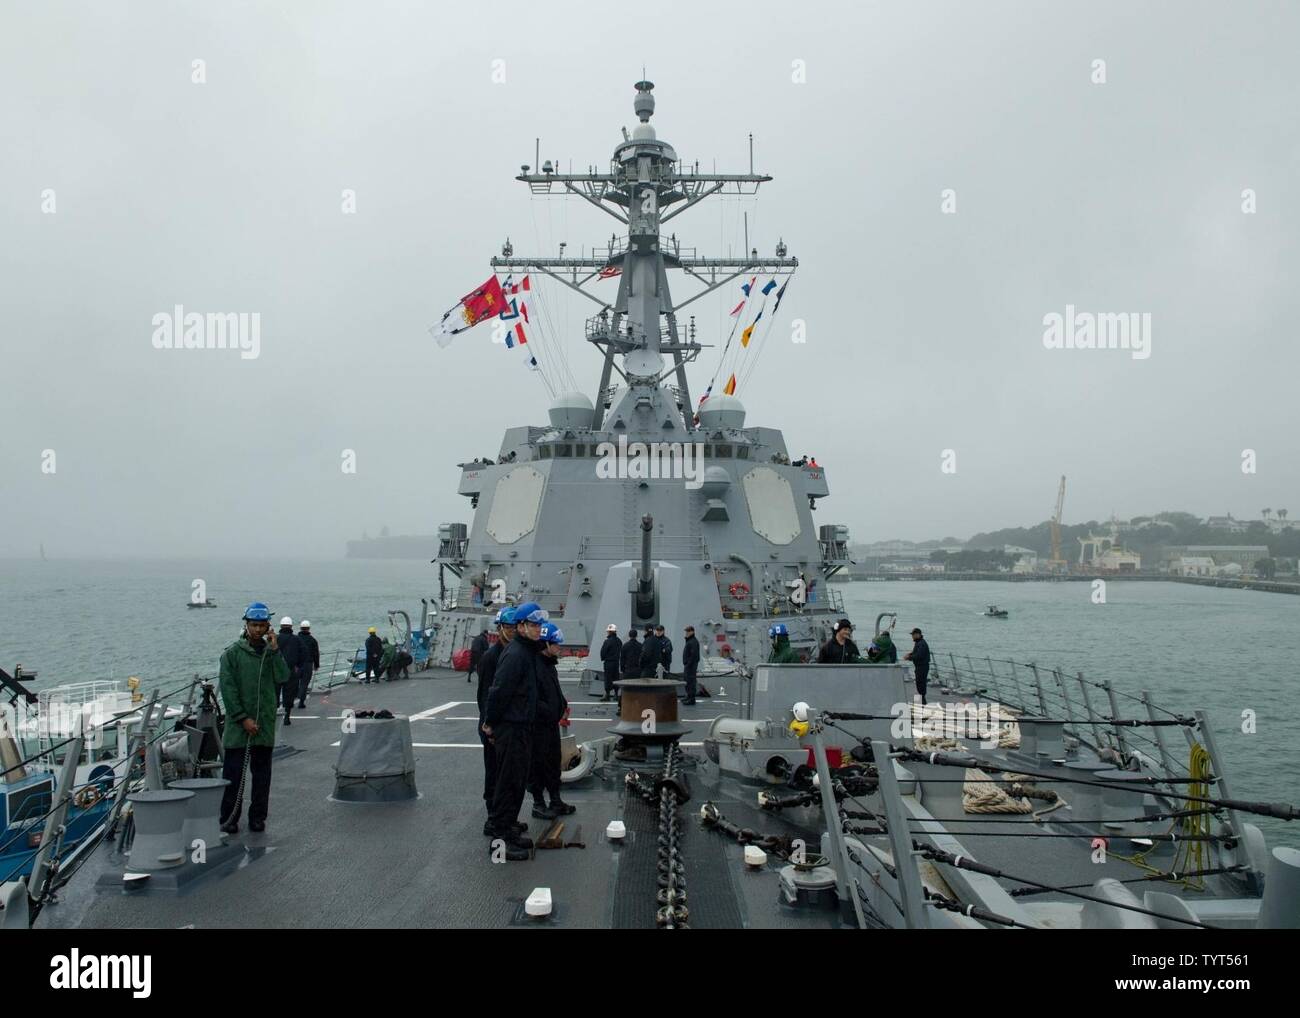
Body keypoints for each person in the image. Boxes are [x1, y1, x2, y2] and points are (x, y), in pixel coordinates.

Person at [482, 602, 548, 860]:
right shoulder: (516, 654)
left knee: (517, 782)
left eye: (539, 625)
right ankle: (499, 844)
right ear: (521, 627)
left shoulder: (525, 651)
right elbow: (498, 692)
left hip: (521, 728)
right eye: (533, 625)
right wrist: (490, 722)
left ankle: (509, 831)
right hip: (511, 728)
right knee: (507, 784)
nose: (538, 630)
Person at [219, 603, 290, 834]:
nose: (258, 630)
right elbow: (228, 692)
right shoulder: (231, 655)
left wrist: (275, 651)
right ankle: (229, 818)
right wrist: (243, 719)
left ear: (269, 626)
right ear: (246, 625)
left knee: (262, 778)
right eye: (254, 625)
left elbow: (284, 676)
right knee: (233, 776)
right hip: (239, 729)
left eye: (262, 625)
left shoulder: (271, 653)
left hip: (264, 728)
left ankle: (258, 818)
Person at [528, 622, 575, 820]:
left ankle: (555, 800)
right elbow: (532, 698)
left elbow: (554, 689)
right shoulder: (533, 665)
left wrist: (562, 705)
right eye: (556, 645)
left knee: (553, 763)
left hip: (551, 725)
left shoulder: (549, 665)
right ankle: (538, 804)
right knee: (537, 764)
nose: (559, 648)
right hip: (538, 727)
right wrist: (549, 712)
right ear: (546, 644)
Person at [476, 608, 516, 834]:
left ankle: (506, 817)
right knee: (494, 773)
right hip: (493, 726)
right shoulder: (491, 657)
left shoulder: (511, 653)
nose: (512, 631)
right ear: (500, 628)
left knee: (507, 773)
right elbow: (485, 695)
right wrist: (488, 726)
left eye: (514, 627)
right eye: (508, 627)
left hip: (506, 724)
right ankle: (492, 819)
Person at [276, 616, 304, 725]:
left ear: (281, 626)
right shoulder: (296, 639)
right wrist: (298, 666)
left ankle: (274, 713)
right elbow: (304, 654)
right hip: (291, 671)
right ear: (291, 626)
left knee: (274, 693)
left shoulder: (276, 638)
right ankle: (287, 716)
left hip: (276, 671)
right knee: (289, 694)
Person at [904, 627, 932, 705]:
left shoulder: (922, 643)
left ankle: (923, 702)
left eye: (913, 634)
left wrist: (909, 657)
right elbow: (915, 653)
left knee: (921, 684)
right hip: (919, 666)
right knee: (919, 683)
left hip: (922, 666)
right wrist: (910, 654)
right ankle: (922, 701)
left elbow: (919, 655)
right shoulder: (918, 643)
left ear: (918, 634)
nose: (912, 636)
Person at [296, 620, 319, 708]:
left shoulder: (296, 638)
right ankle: (301, 702)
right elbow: (316, 654)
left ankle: (291, 699)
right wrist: (316, 665)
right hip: (308, 664)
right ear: (309, 628)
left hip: (296, 665)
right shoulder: (313, 640)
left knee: (294, 682)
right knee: (304, 683)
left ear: (300, 628)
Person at [599, 623, 621, 702]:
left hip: (608, 662)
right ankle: (616, 694)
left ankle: (607, 695)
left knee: (608, 678)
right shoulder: (619, 641)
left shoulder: (607, 641)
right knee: (616, 678)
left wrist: (604, 658)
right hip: (616, 662)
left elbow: (603, 652)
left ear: (610, 632)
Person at [681, 625, 700, 705]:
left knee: (691, 682)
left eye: (688, 631)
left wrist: (688, 664)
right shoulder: (690, 641)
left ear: (692, 632)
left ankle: (692, 699)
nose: (687, 633)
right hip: (688, 665)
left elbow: (694, 655)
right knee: (687, 681)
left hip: (691, 666)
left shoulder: (693, 641)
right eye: (686, 631)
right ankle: (688, 696)